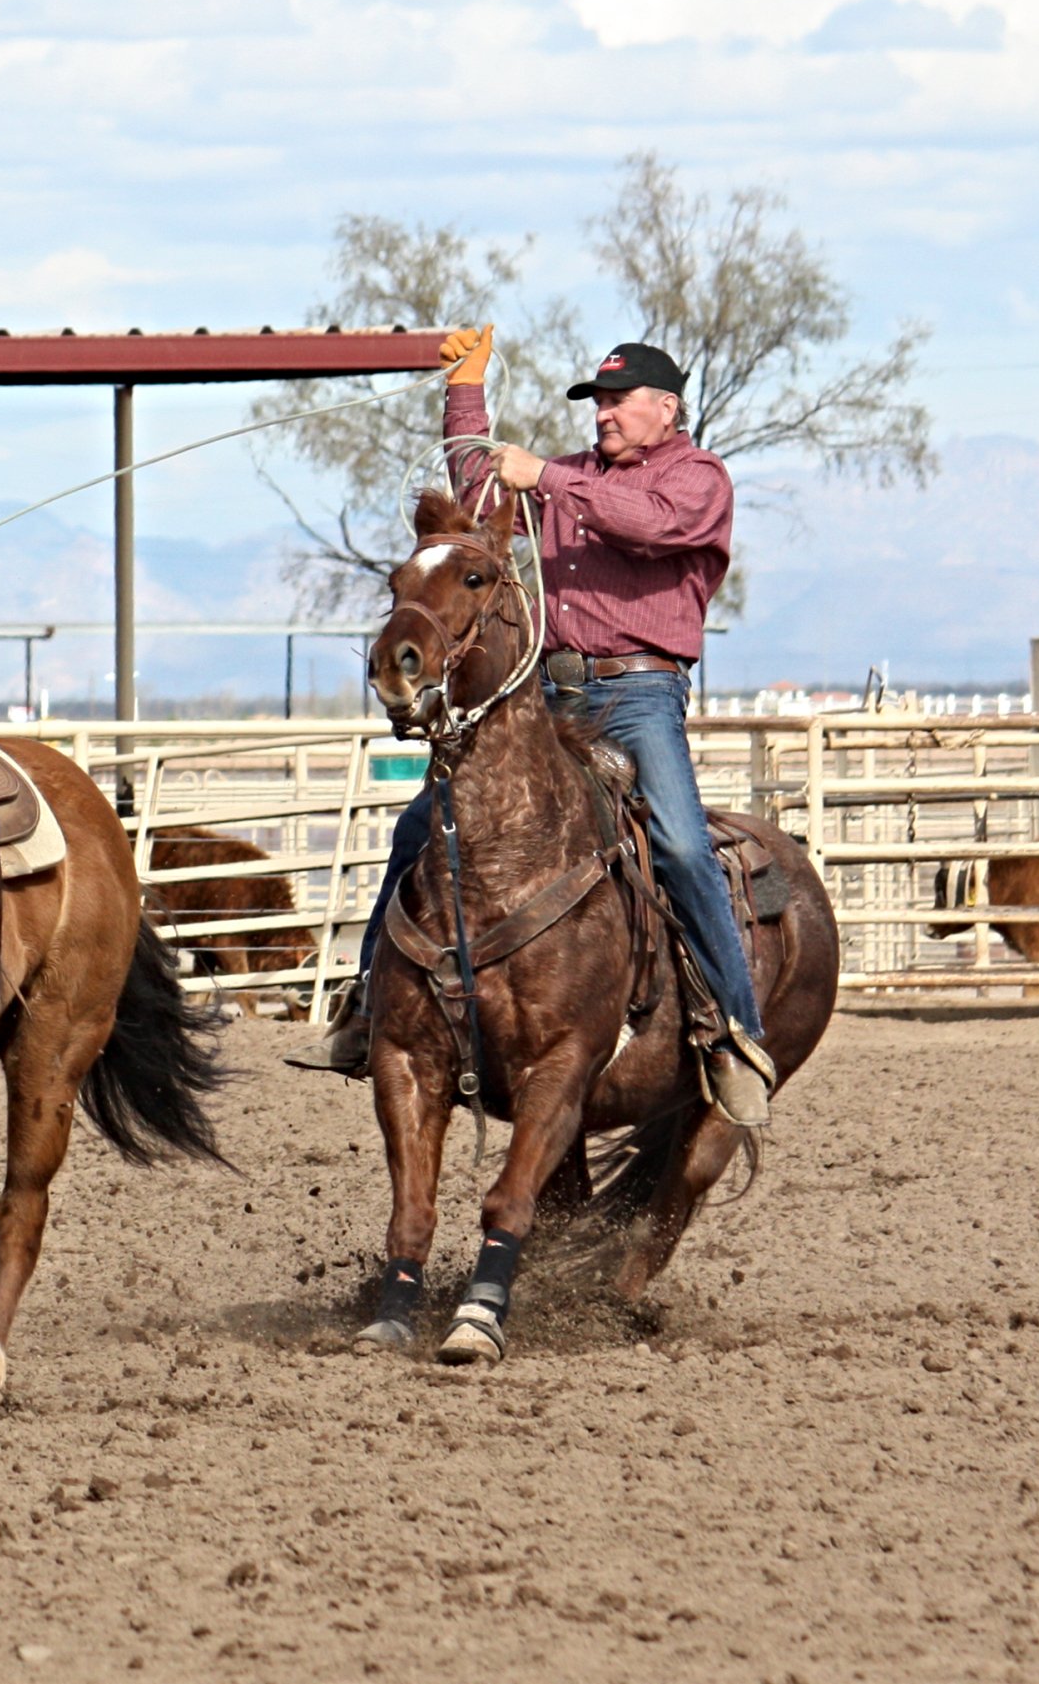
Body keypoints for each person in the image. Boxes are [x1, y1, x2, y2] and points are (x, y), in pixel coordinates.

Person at [288, 326, 776, 1128]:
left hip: (640, 692)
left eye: (619, 403)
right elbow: (478, 493)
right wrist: (465, 388)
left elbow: (653, 525)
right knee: (421, 825)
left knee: (684, 845)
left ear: (667, 408)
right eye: (599, 403)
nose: (605, 416)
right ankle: (370, 1008)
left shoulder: (698, 478)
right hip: (550, 694)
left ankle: (734, 1032)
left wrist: (542, 474)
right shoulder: (571, 478)